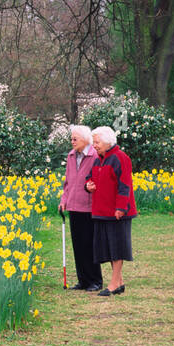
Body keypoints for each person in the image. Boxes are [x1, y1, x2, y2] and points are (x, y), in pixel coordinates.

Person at [84, 126, 136, 297]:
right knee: (108, 248)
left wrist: (121, 207)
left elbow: (125, 184)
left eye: (97, 142)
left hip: (116, 212)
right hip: (101, 210)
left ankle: (113, 284)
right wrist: (88, 185)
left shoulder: (120, 158)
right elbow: (90, 178)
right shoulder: (98, 159)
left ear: (108, 141)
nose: (95, 146)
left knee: (117, 248)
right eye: (94, 142)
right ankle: (119, 282)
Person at [58, 125, 101, 292]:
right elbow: (67, 183)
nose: (72, 141)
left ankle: (95, 280)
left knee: (89, 245)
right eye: (71, 138)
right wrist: (64, 200)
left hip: (89, 207)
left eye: (75, 139)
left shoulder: (94, 156)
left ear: (85, 140)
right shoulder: (70, 156)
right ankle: (82, 280)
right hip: (74, 207)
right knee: (77, 245)